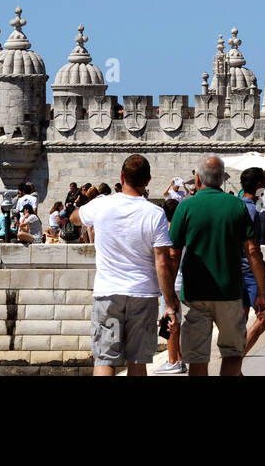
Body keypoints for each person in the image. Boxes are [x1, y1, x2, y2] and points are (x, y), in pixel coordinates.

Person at [71, 154, 180, 376]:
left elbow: (74, 218)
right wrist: (170, 304)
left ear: (122, 176)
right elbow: (162, 261)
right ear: (148, 181)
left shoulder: (101, 205)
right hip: (143, 293)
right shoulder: (155, 213)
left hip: (108, 293)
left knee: (104, 360)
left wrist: (80, 211)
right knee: (138, 362)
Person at [168, 155, 265, 376]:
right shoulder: (237, 205)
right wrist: (261, 291)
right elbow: (253, 252)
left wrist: (169, 297)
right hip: (229, 293)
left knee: (197, 359)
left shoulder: (185, 207)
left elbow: (173, 255)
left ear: (197, 178)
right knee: (232, 355)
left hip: (195, 293)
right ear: (223, 179)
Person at [237, 167, 265, 354]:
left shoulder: (235, 206)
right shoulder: (251, 211)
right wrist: (260, 282)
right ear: (260, 185)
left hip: (236, 272)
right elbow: (252, 249)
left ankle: (235, 369)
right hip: (251, 272)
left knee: (241, 320)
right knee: (264, 318)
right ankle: (235, 364)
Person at [154, 199, 187, 375]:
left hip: (170, 282)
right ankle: (178, 359)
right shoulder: (182, 231)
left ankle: (173, 361)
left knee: (169, 322)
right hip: (179, 281)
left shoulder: (166, 232)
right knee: (174, 321)